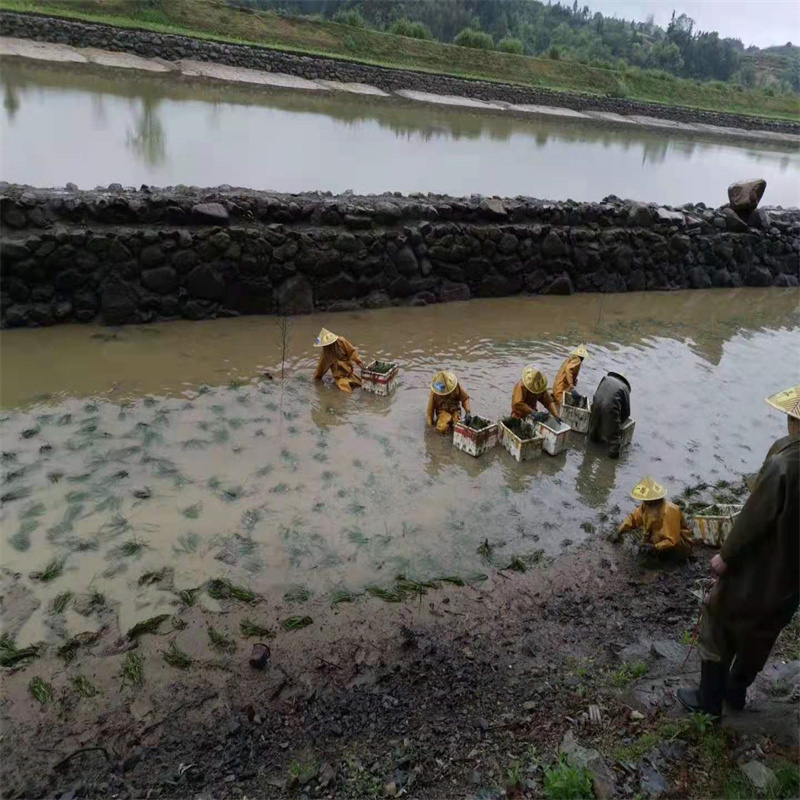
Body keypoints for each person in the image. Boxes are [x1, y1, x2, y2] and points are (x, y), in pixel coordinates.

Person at [677, 386, 800, 717]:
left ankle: (709, 703)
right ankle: (736, 692)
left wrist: (725, 556)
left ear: (793, 420)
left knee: (717, 623)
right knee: (762, 633)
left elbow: (752, 520)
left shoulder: (783, 466)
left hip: (761, 571)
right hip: (791, 582)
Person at [613, 476, 692, 558]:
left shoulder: (670, 510)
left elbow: (672, 540)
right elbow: (633, 519)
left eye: (646, 500)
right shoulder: (646, 506)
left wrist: (655, 547)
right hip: (659, 541)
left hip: (678, 546)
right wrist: (619, 531)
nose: (644, 502)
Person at [588, 371, 631, 459]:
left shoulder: (605, 379)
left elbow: (598, 392)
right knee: (615, 439)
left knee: (594, 428)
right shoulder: (624, 387)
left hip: (596, 403)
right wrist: (618, 423)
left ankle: (589, 450)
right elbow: (626, 412)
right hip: (609, 408)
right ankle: (611, 460)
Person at [312, 327, 363, 392]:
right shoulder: (326, 353)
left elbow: (353, 352)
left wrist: (361, 366)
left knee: (362, 384)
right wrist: (316, 379)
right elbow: (320, 368)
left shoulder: (342, 341)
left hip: (349, 372)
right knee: (345, 391)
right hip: (340, 377)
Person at [553, 345, 588, 409]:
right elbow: (568, 369)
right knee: (563, 407)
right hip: (560, 389)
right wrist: (571, 386)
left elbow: (568, 371)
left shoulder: (572, 358)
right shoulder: (577, 359)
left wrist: (573, 380)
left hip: (557, 386)